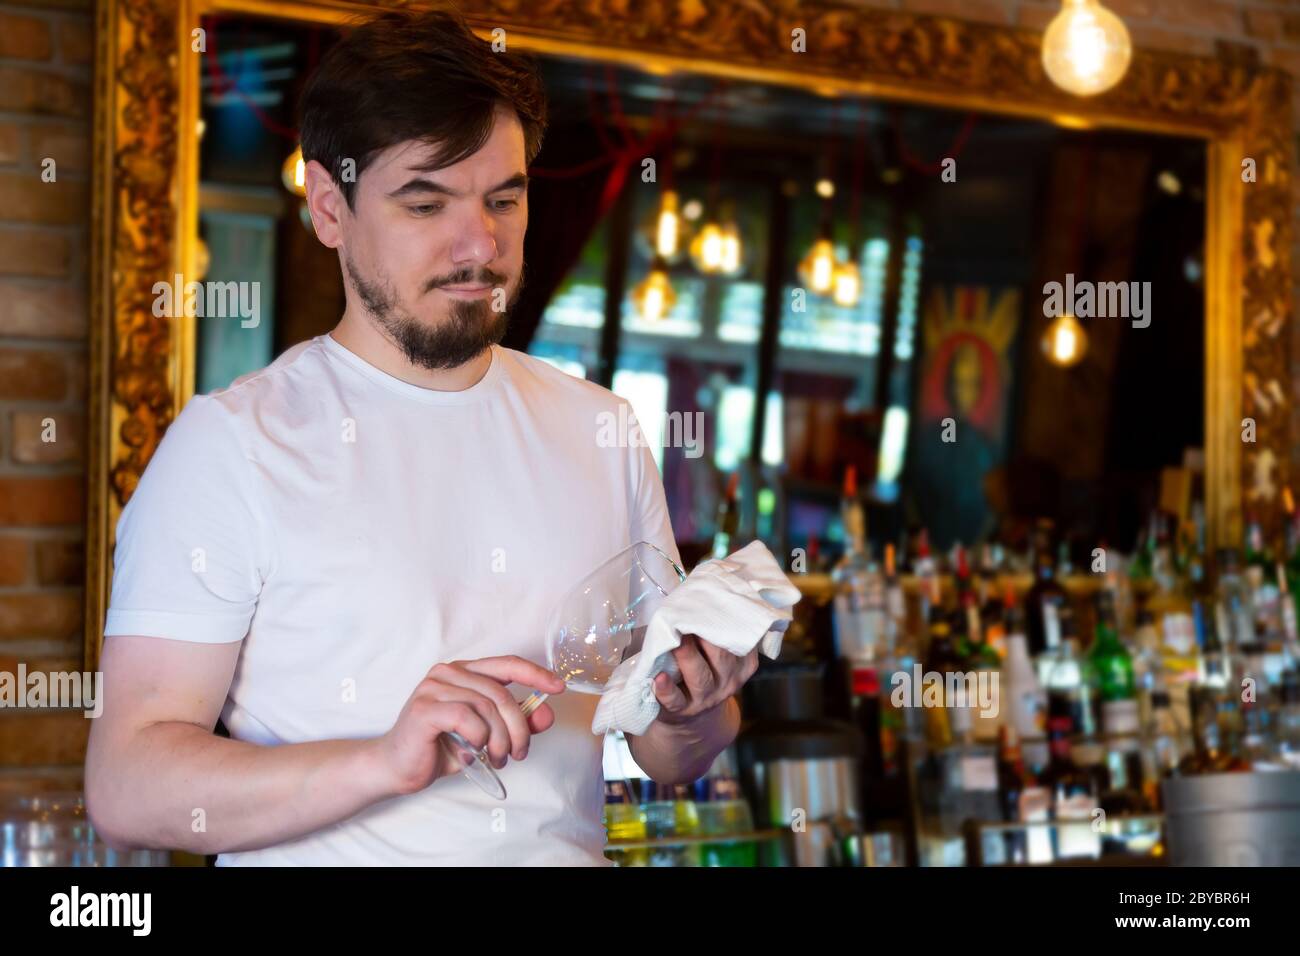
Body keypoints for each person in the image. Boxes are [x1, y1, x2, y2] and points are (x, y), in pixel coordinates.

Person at [85, 8, 757, 866]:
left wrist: (695, 706)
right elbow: (126, 785)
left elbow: (662, 752)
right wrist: (381, 763)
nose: (479, 244)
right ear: (330, 207)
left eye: (504, 199)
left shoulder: (601, 429)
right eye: (426, 200)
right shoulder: (234, 445)